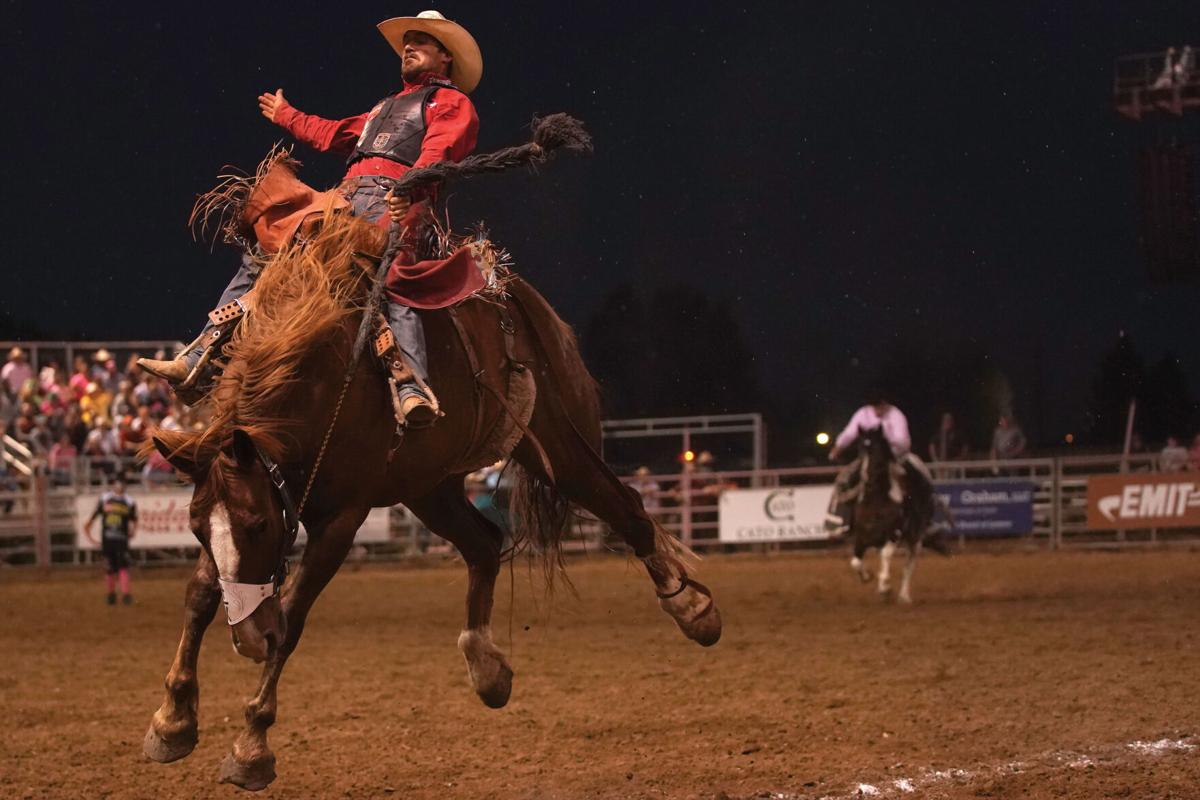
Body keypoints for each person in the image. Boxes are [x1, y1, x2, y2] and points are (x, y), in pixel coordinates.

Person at [139, 10, 482, 427]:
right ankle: (200, 358)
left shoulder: (452, 102)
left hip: (398, 202)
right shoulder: (385, 106)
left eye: (421, 41)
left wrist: (408, 187)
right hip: (346, 198)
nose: (408, 47)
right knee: (268, 251)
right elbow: (335, 132)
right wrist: (288, 115)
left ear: (445, 56)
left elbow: (440, 151)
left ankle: (411, 384)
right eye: (407, 41)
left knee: (391, 279)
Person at [825, 391, 933, 537]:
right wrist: (838, 446)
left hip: (897, 457)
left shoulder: (896, 416)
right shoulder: (863, 414)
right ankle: (841, 521)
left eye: (879, 406)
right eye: (874, 406)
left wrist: (883, 441)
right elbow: (850, 432)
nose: (877, 410)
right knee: (844, 478)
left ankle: (925, 519)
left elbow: (903, 442)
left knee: (922, 476)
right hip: (871, 459)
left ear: (885, 404)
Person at [83, 477, 138, 605]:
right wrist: (89, 525)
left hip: (121, 540)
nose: (120, 485)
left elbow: (134, 519)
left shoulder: (129, 501)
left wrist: (132, 531)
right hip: (108, 540)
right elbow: (96, 514)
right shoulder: (105, 498)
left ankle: (125, 594)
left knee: (123, 566)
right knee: (109, 567)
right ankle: (111, 594)